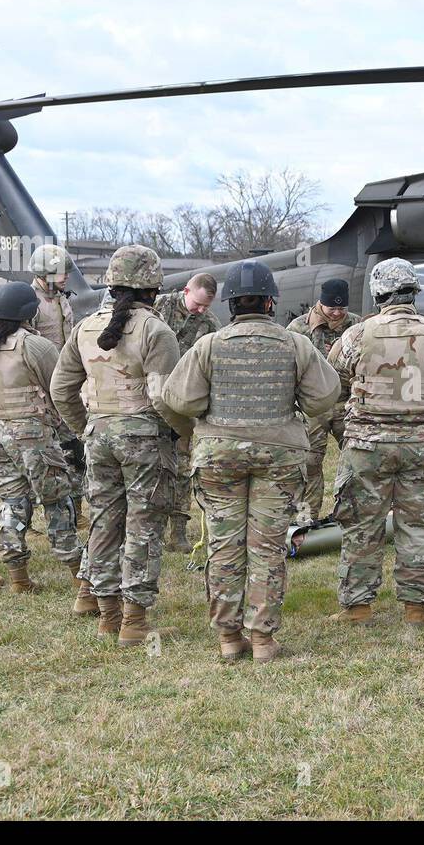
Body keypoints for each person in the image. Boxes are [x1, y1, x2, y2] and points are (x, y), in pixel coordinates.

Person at [161, 261, 339, 662]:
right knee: (267, 547)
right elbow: (324, 395)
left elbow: (178, 398)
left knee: (224, 546)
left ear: (229, 304)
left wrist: (202, 427)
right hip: (279, 456)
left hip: (219, 456)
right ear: (271, 302)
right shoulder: (295, 344)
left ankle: (228, 638)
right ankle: (262, 640)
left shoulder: (209, 344)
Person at [50, 245, 188, 646]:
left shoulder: (86, 327)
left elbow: (62, 389)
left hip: (100, 436)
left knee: (104, 522)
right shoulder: (155, 331)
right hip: (144, 439)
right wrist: (182, 434)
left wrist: (88, 427)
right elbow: (164, 397)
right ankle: (133, 622)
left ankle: (104, 612)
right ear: (153, 287)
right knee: (144, 525)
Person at [327, 258, 424, 626]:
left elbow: (334, 378)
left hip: (369, 446)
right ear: (414, 291)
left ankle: (358, 607)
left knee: (362, 523)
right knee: (420, 524)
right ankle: (417, 608)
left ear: (378, 293)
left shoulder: (358, 334)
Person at [0, 282, 85, 594]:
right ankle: (79, 575)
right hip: (33, 437)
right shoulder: (35, 345)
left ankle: (18, 578)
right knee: (57, 501)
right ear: (30, 311)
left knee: (13, 502)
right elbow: (61, 389)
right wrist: (72, 432)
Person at [153, 272, 222, 552]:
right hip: (151, 397)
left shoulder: (210, 324)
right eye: (198, 304)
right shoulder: (158, 309)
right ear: (186, 291)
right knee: (153, 466)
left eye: (207, 306)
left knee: (182, 467)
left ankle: (178, 532)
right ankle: (152, 528)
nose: (201, 311)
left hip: (183, 402)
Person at [287, 278, 360, 524]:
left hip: (346, 404)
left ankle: (355, 514)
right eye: (332, 309)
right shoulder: (299, 328)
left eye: (342, 309)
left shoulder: (357, 326)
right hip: (312, 407)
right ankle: (305, 519)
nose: (338, 313)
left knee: (358, 458)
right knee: (309, 464)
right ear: (321, 303)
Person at [28, 243, 86, 525]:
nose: (66, 277)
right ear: (44, 273)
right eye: (60, 272)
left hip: (64, 385)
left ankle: (77, 510)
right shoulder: (29, 302)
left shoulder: (62, 298)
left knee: (74, 447)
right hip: (40, 391)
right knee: (45, 456)